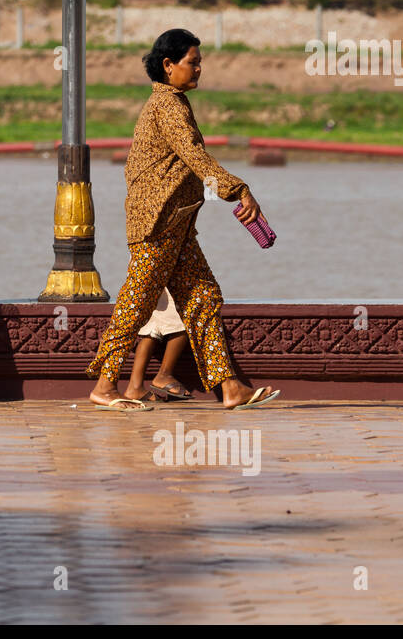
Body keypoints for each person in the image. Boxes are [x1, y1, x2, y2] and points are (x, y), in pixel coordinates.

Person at [88, 29, 280, 412]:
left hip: (178, 224)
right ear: (168, 65)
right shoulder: (168, 106)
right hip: (157, 225)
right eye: (192, 62)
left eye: (199, 63)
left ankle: (230, 388)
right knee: (136, 303)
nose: (198, 70)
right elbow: (195, 158)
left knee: (204, 297)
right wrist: (238, 189)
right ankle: (106, 385)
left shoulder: (173, 104)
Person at [124, 289, 194, 404]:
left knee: (152, 328)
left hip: (149, 282)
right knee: (184, 318)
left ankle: (135, 387)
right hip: (163, 279)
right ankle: (164, 374)